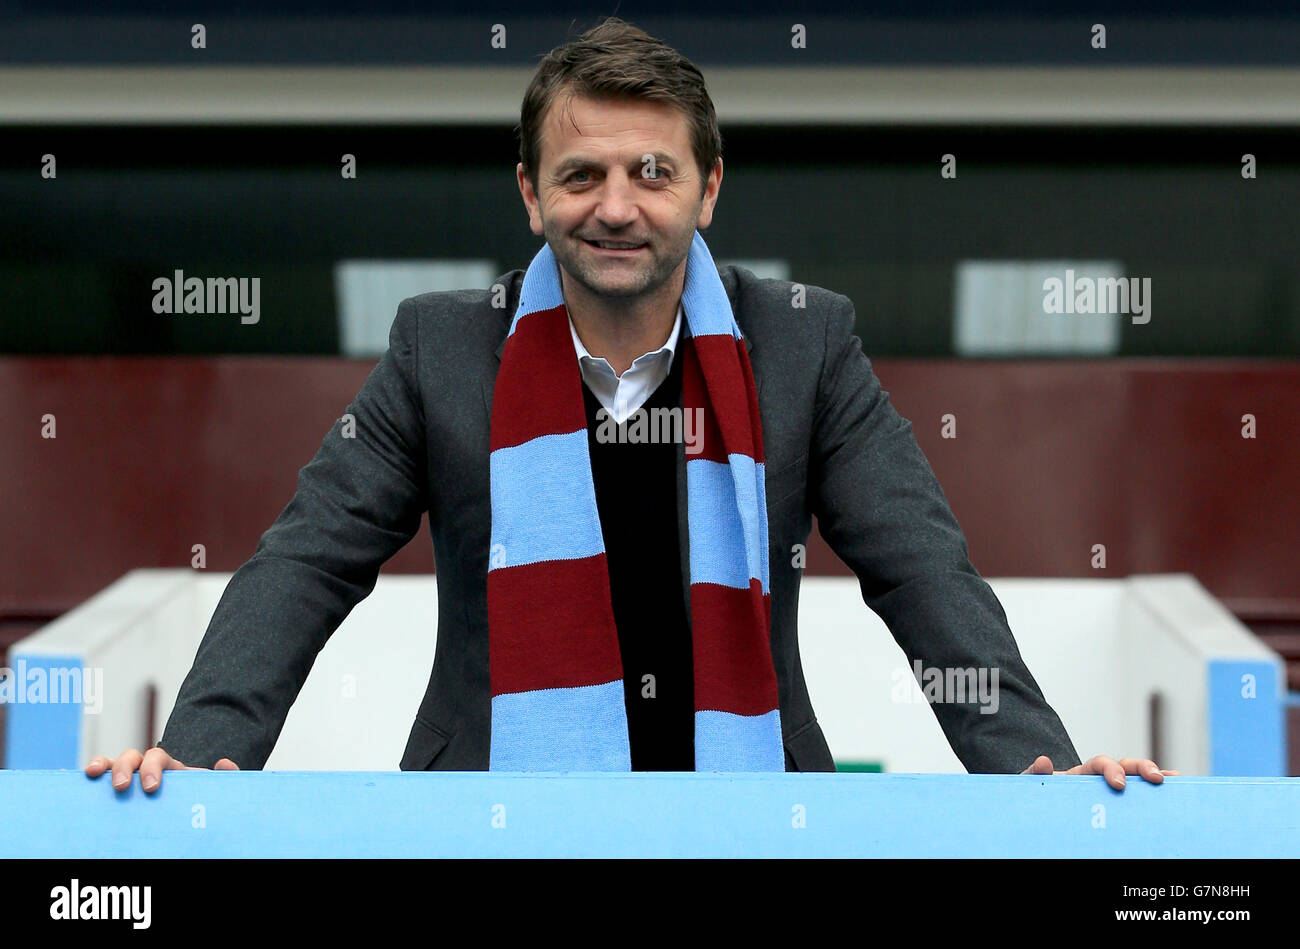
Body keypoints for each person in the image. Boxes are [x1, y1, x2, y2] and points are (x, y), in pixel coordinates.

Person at [87, 16, 1176, 792]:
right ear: (529, 194)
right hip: (489, 813)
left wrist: (1035, 762)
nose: (616, 208)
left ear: (708, 186)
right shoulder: (442, 347)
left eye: (652, 173)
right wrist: (197, 753)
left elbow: (921, 569)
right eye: (579, 175)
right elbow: (305, 562)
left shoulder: (802, 344)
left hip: (754, 816)